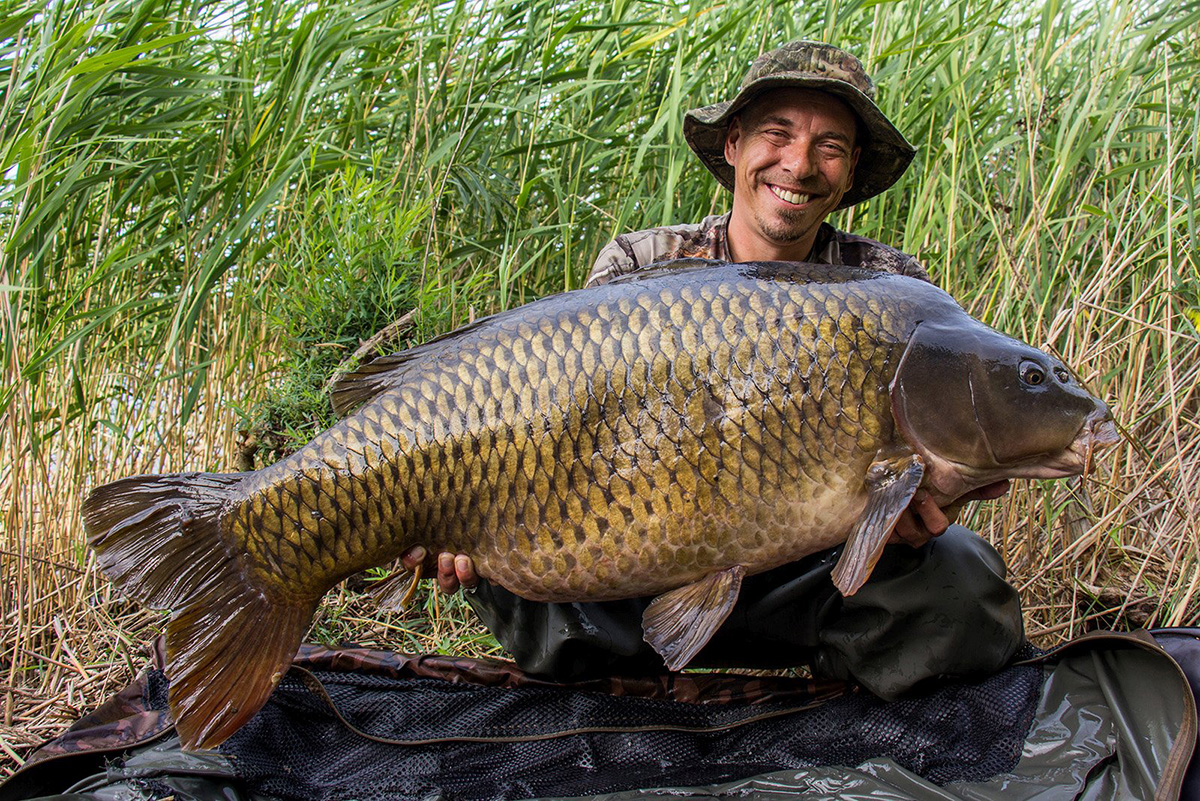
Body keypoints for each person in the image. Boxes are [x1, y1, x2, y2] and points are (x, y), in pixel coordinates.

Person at [399, 41, 1024, 699]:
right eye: (777, 134)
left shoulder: (891, 289)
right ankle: (626, 691)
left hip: (810, 575)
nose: (799, 164)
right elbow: (567, 434)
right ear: (733, 144)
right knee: (509, 562)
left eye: (829, 146)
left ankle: (830, 705)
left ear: (850, 169)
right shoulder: (638, 267)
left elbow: (917, 466)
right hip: (638, 567)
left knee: (963, 584)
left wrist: (895, 522)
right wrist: (469, 514)